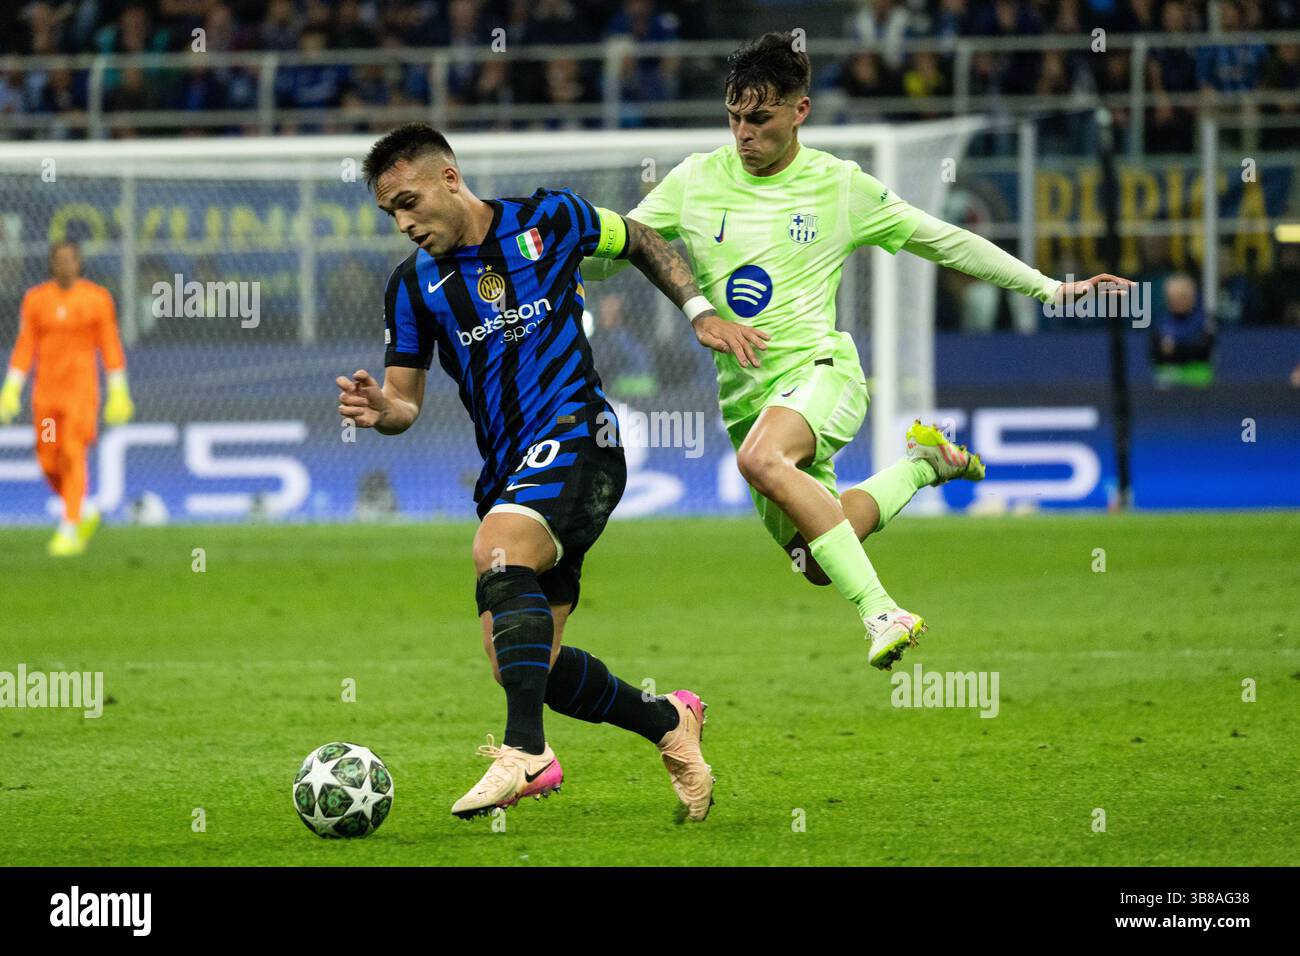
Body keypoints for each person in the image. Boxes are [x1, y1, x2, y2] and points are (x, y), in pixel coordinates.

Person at [584, 32, 1133, 671]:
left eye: (759, 119)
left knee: (762, 460)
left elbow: (944, 240)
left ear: (800, 111)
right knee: (816, 560)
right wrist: (563, 253)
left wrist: (1049, 288)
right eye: (734, 118)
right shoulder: (695, 181)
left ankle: (881, 610)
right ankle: (927, 464)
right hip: (746, 398)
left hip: (823, 372)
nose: (743, 135)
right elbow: (618, 252)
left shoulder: (840, 187)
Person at [337, 124, 767, 821]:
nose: (405, 222)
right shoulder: (412, 287)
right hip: (511, 469)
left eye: (410, 201)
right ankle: (669, 725)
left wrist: (699, 312)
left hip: (583, 438)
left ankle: (526, 753)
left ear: (449, 178)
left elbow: (640, 240)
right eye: (392, 213)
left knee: (496, 551)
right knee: (525, 665)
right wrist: (379, 407)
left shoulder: (550, 219)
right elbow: (405, 403)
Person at [0, 241, 135, 555]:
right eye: (59, 261)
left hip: (80, 395)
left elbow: (109, 345)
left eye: (70, 260)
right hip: (46, 398)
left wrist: (118, 390)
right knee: (48, 456)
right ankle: (83, 510)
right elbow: (25, 346)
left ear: (79, 263)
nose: (64, 266)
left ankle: (69, 528)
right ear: (51, 264)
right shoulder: (36, 300)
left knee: (73, 453)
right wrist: (11, 388)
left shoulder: (96, 299)